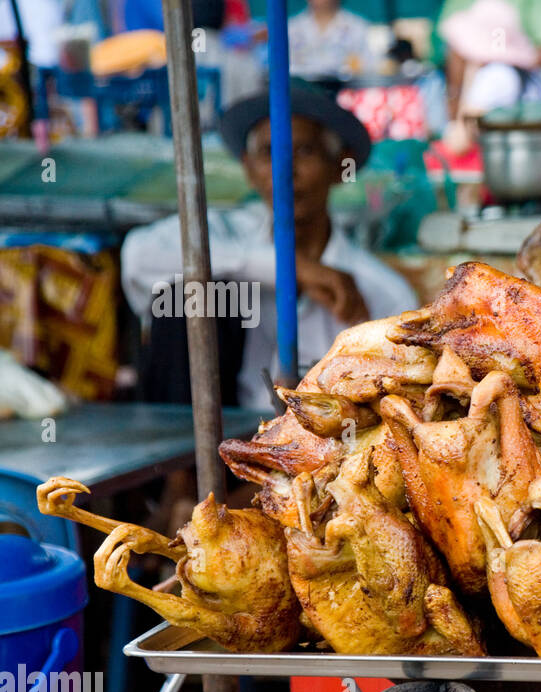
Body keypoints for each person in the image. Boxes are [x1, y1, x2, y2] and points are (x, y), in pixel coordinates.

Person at [120, 84, 418, 409]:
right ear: (248, 168)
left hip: (325, 451)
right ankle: (180, 453)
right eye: (268, 154)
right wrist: (286, 268)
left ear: (338, 166)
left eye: (305, 151)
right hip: (223, 436)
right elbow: (137, 257)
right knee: (186, 296)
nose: (286, 171)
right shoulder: (226, 232)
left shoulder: (381, 290)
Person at [287, 0, 374, 78]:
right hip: (299, 93)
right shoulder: (289, 29)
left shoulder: (358, 28)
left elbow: (369, 68)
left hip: (343, 91)